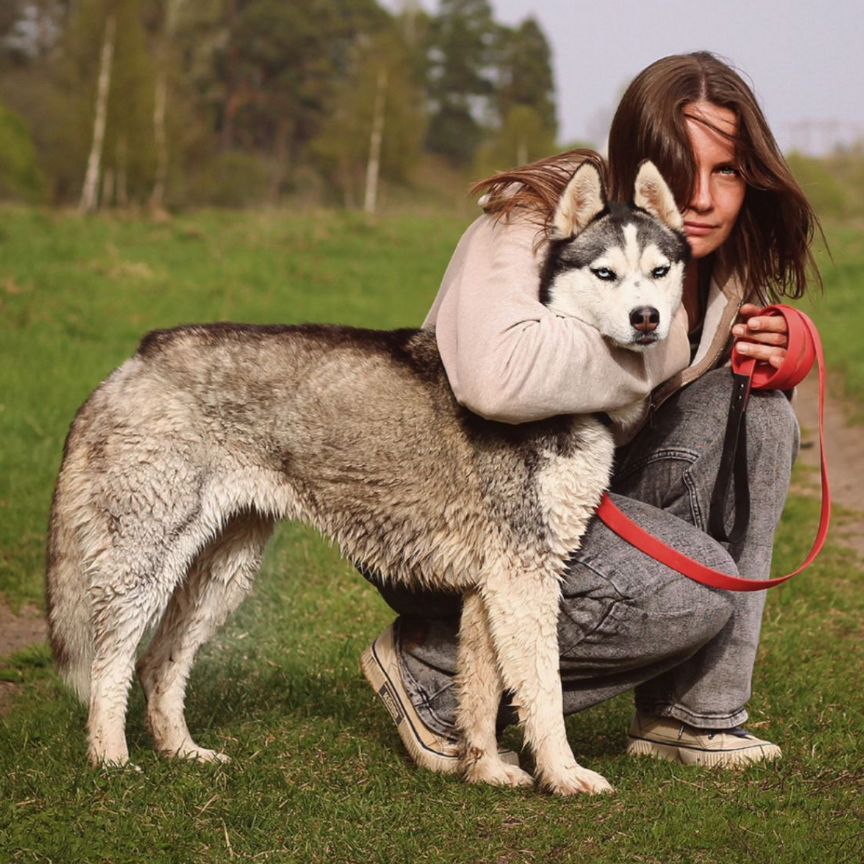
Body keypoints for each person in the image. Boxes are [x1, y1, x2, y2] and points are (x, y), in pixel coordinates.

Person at [359, 51, 820, 774]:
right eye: (681, 168)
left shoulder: (711, 263)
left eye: (728, 170)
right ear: (636, 162)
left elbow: (702, 424)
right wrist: (662, 344)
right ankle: (438, 675)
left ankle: (692, 713)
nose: (704, 197)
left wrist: (786, 351)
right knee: (698, 592)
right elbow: (495, 381)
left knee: (761, 415)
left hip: (573, 491)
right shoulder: (533, 215)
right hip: (449, 508)